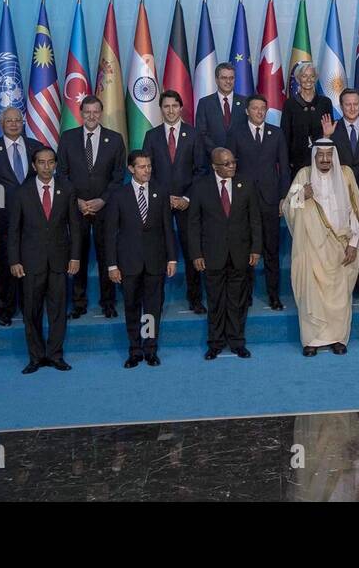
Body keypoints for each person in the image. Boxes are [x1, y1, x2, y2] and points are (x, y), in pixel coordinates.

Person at [283, 138, 359, 356]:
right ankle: (312, 340)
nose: (325, 159)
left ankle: (338, 338)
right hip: (311, 248)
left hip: (340, 245)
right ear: (315, 156)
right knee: (312, 294)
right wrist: (302, 195)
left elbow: (354, 213)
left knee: (339, 296)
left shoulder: (346, 175)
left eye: (329, 155)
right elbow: (287, 207)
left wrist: (354, 243)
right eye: (321, 155)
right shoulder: (303, 175)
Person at [7, 148, 82, 372]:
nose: (46, 167)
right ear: (34, 166)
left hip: (59, 261)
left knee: (58, 311)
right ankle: (36, 357)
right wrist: (14, 260)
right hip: (30, 263)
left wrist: (75, 256)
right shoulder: (21, 192)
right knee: (32, 312)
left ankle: (56, 355)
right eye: (42, 163)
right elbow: (14, 231)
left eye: (50, 162)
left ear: (55, 164)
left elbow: (75, 227)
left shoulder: (67, 189)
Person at [103, 150, 177, 368]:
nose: (147, 170)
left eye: (149, 166)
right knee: (132, 307)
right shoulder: (118, 195)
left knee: (153, 308)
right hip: (128, 263)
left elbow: (167, 229)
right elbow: (110, 233)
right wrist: (112, 265)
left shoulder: (160, 192)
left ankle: (150, 349)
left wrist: (172, 259)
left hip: (155, 262)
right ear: (131, 169)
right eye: (143, 167)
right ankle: (135, 350)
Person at [188, 147, 262, 359]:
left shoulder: (246, 184)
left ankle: (237, 342)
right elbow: (193, 224)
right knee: (215, 301)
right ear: (214, 166)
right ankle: (215, 343)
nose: (232, 166)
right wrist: (196, 254)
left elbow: (255, 219)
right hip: (212, 255)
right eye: (226, 164)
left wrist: (256, 248)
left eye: (233, 162)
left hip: (240, 253)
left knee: (237, 301)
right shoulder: (201, 187)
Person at [0, 107, 49, 326]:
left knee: (31, 264)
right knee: (5, 265)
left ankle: (31, 307)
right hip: (4, 220)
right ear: (1, 123)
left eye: (17, 120)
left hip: (33, 220)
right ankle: (5, 308)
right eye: (8, 120)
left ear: (23, 122)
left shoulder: (36, 147)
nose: (13, 124)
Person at [57, 94, 126, 318]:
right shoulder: (67, 139)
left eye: (96, 111)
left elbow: (118, 176)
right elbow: (62, 174)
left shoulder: (115, 139)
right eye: (87, 111)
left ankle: (108, 302)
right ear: (81, 113)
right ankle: (78, 303)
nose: (91, 116)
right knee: (78, 255)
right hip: (76, 208)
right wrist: (76, 200)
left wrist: (102, 200)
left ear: (101, 112)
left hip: (105, 209)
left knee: (108, 255)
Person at [144, 90, 203, 313]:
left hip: (187, 203)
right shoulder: (152, 136)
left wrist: (186, 198)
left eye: (174, 106)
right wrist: (163, 197)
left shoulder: (194, 134)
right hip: (160, 203)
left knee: (191, 252)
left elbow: (201, 170)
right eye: (166, 107)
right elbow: (147, 172)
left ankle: (195, 299)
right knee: (158, 251)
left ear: (181, 108)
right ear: (161, 110)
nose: (170, 110)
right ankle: (154, 301)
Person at [231, 95, 291, 310]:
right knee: (244, 249)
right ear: (247, 111)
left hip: (270, 200)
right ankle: (245, 296)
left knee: (272, 251)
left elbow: (284, 168)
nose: (259, 112)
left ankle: (274, 295)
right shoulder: (236, 133)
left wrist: (284, 197)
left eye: (262, 109)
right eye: (254, 108)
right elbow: (231, 169)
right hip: (244, 201)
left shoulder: (276, 134)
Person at [323, 88, 359, 305]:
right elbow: (322, 163)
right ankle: (342, 290)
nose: (353, 108)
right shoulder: (333, 129)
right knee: (340, 245)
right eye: (348, 104)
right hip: (339, 198)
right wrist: (326, 137)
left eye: (356, 103)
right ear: (341, 105)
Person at [194, 61, 248, 161]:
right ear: (216, 80)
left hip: (239, 161)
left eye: (231, 78)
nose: (228, 81)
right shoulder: (205, 103)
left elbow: (248, 131)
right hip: (212, 160)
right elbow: (201, 133)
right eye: (224, 78)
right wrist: (217, 152)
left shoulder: (245, 102)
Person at [282, 61, 329, 176]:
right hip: (297, 162)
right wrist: (287, 162)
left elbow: (329, 132)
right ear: (298, 78)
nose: (308, 80)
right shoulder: (290, 104)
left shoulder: (325, 102)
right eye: (304, 76)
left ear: (316, 78)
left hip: (321, 159)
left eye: (312, 76)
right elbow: (285, 135)